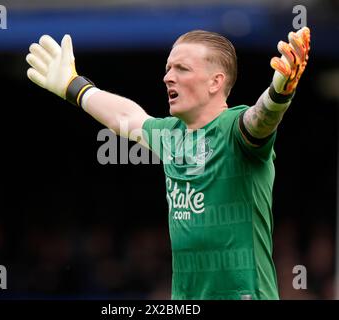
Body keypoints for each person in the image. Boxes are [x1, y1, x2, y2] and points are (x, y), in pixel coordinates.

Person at [26, 27, 310, 300]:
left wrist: (279, 92)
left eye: (181, 69)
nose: (167, 78)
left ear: (216, 82)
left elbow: (261, 119)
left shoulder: (234, 130)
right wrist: (74, 86)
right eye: (168, 69)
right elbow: (125, 117)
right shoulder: (171, 135)